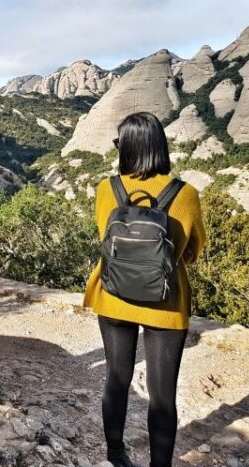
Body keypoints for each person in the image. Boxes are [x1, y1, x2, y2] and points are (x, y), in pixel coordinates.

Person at [83, 112, 206, 467]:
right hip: (165, 305)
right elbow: (193, 251)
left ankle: (115, 455)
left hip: (113, 297)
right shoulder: (186, 194)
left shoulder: (108, 188)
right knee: (162, 396)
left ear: (126, 149)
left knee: (116, 379)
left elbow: (103, 238)